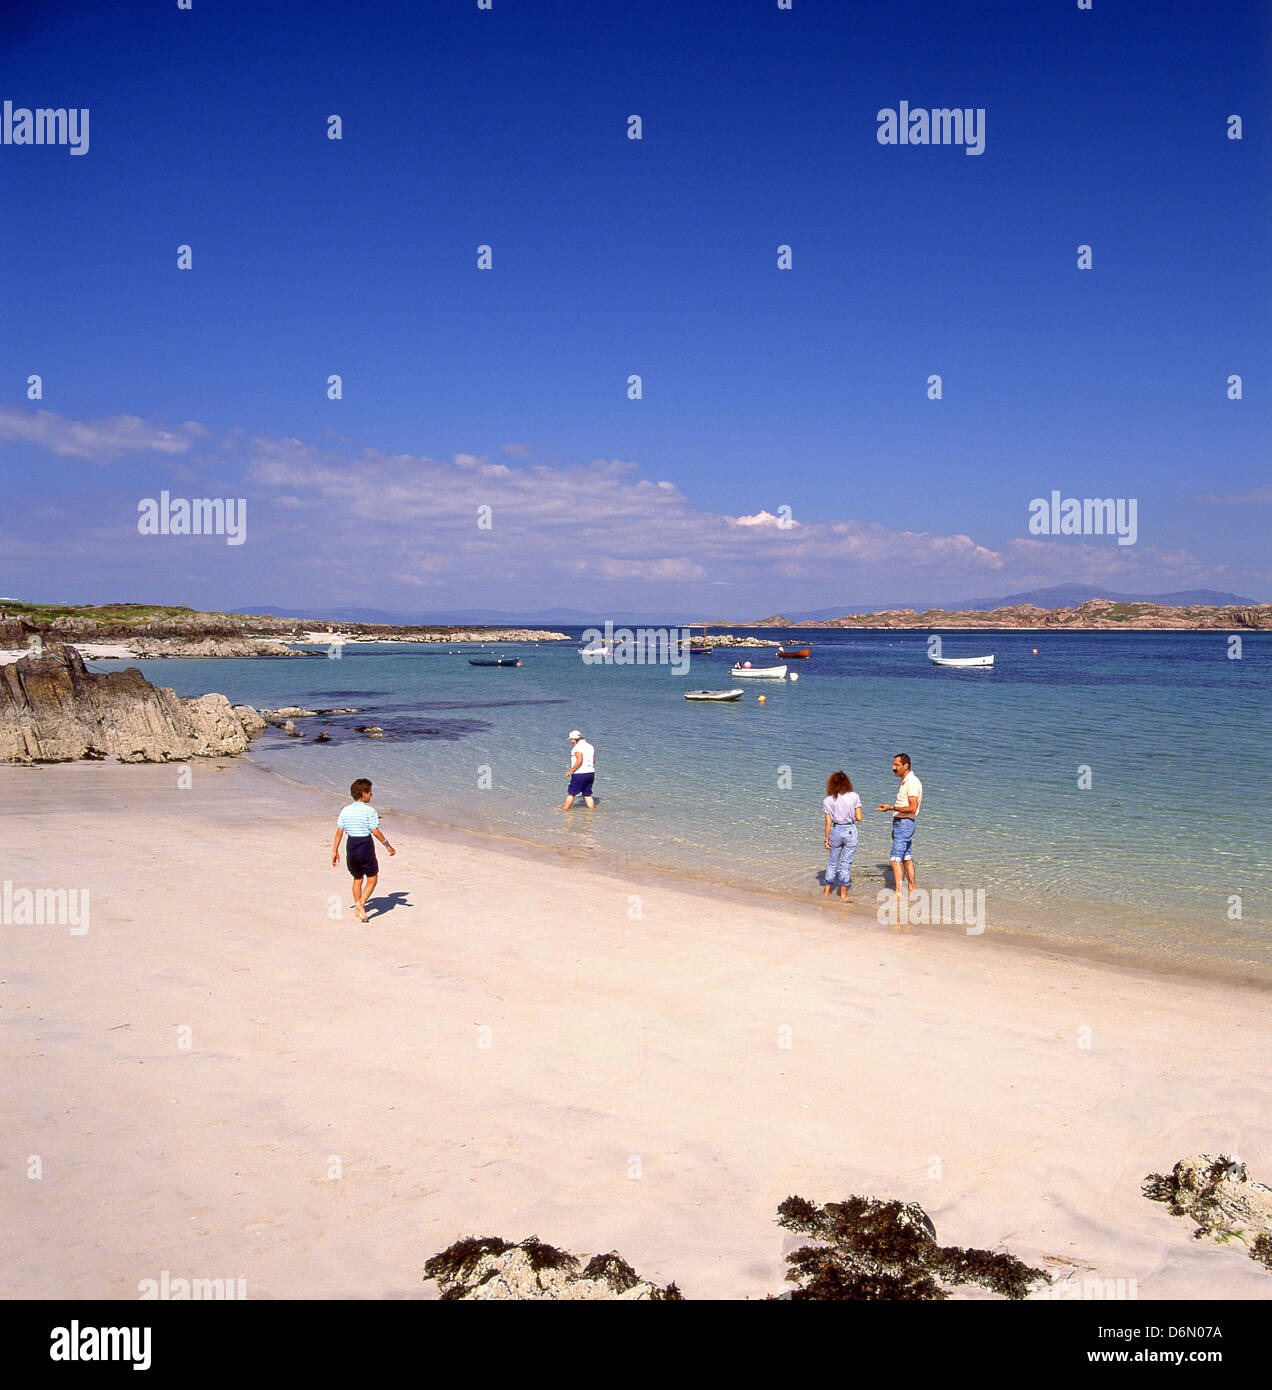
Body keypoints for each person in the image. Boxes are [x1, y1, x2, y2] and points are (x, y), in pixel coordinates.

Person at [332, 777, 395, 922]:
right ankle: (361, 903)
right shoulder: (370, 811)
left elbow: (339, 832)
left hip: (351, 845)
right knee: (372, 878)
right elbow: (375, 831)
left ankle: (357, 908)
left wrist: (335, 851)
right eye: (370, 792)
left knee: (357, 878)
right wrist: (387, 845)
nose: (372, 795)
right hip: (365, 845)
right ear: (364, 793)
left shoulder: (345, 811)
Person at [877, 753, 922, 895]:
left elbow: (912, 808)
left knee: (894, 860)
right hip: (902, 824)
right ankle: (911, 888)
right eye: (893, 764)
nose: (893, 768)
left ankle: (898, 893)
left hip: (904, 823)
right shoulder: (907, 781)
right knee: (906, 858)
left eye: (896, 765)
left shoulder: (912, 783)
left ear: (906, 766)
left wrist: (892, 808)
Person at [822, 770, 863, 899]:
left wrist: (826, 839)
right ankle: (843, 895)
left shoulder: (827, 800)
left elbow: (828, 822)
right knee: (846, 863)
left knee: (833, 863)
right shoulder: (854, 796)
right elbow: (859, 818)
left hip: (836, 830)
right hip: (850, 830)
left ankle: (827, 892)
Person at [562, 729, 596, 810]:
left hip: (580, 773)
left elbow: (580, 760)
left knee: (571, 793)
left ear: (574, 739)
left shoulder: (577, 747)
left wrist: (570, 771)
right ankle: (592, 812)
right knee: (587, 794)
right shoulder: (590, 746)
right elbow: (593, 760)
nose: (571, 742)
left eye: (571, 740)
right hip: (590, 772)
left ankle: (564, 810)